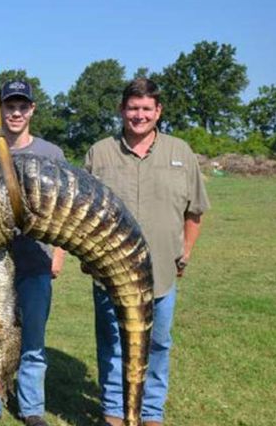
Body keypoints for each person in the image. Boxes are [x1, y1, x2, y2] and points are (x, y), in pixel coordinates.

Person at [84, 78, 210, 426]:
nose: (139, 115)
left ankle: (151, 414)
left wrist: (184, 253)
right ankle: (114, 413)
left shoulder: (180, 153)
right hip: (111, 275)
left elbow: (195, 211)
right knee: (113, 346)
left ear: (158, 111)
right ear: (122, 110)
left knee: (157, 346)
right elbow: (80, 215)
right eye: (132, 108)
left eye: (146, 109)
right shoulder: (100, 153)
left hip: (162, 276)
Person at [0, 80, 67, 426]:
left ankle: (31, 408)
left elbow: (63, 210)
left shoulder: (51, 154)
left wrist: (58, 255)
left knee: (33, 342)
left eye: (22, 106)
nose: (15, 112)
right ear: (0, 110)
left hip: (35, 261)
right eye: (9, 106)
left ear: (32, 110)